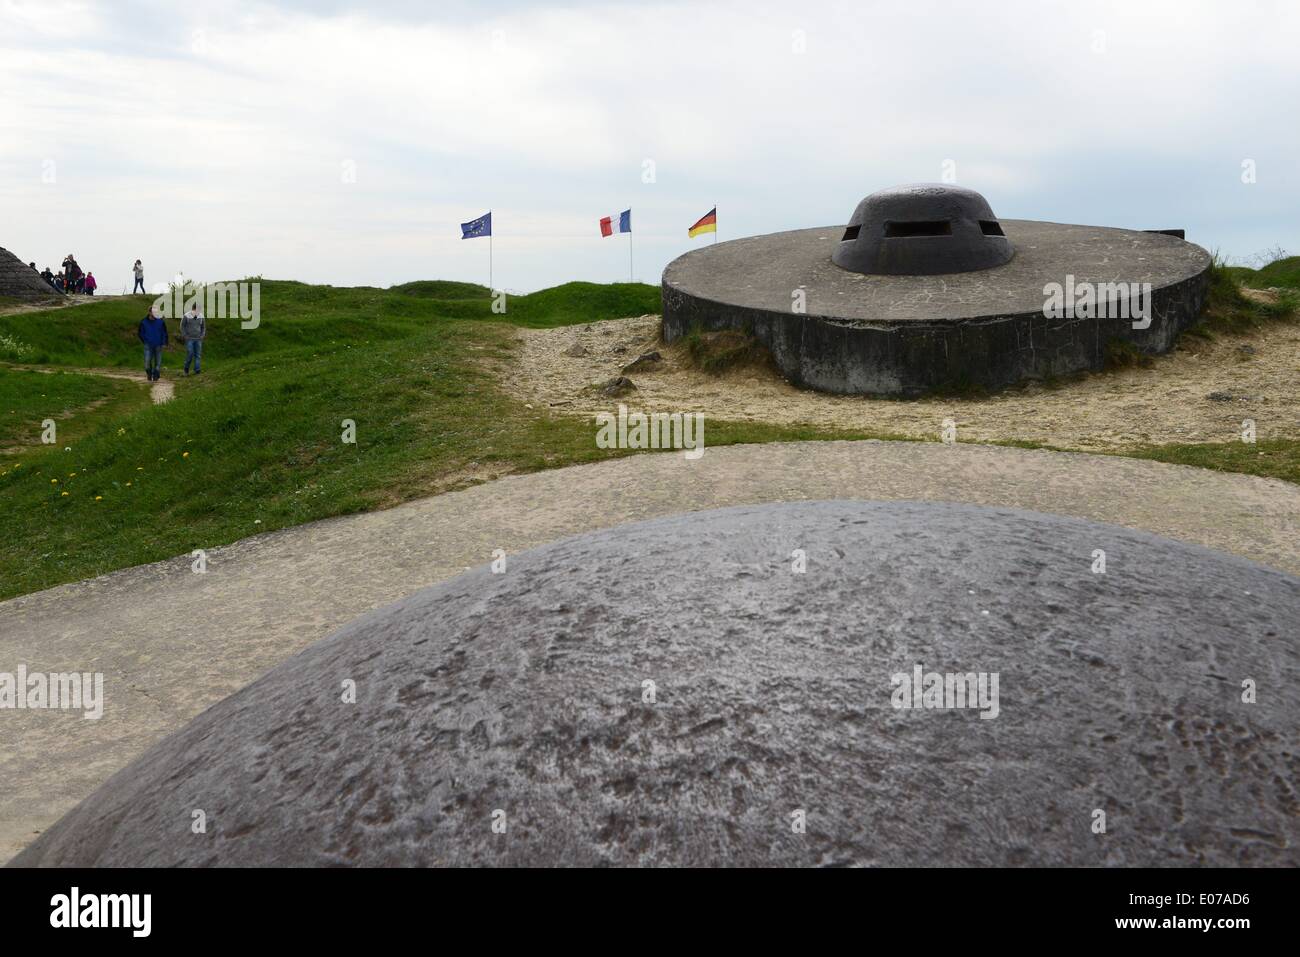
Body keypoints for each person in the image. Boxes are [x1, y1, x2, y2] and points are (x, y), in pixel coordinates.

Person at [138, 306, 169, 381]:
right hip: (148, 345)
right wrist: (145, 340)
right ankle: (149, 373)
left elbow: (164, 333)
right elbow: (140, 333)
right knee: (147, 363)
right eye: (153, 312)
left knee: (158, 363)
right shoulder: (143, 322)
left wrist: (164, 342)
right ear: (149, 312)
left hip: (158, 345)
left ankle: (156, 375)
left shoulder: (161, 322)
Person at [180, 302, 205, 375]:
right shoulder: (186, 316)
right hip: (189, 339)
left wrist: (202, 335)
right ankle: (186, 368)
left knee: (198, 355)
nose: (198, 311)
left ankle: (197, 370)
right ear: (193, 309)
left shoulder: (201, 316)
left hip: (198, 339)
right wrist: (185, 335)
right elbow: (182, 326)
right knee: (190, 353)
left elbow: (203, 327)